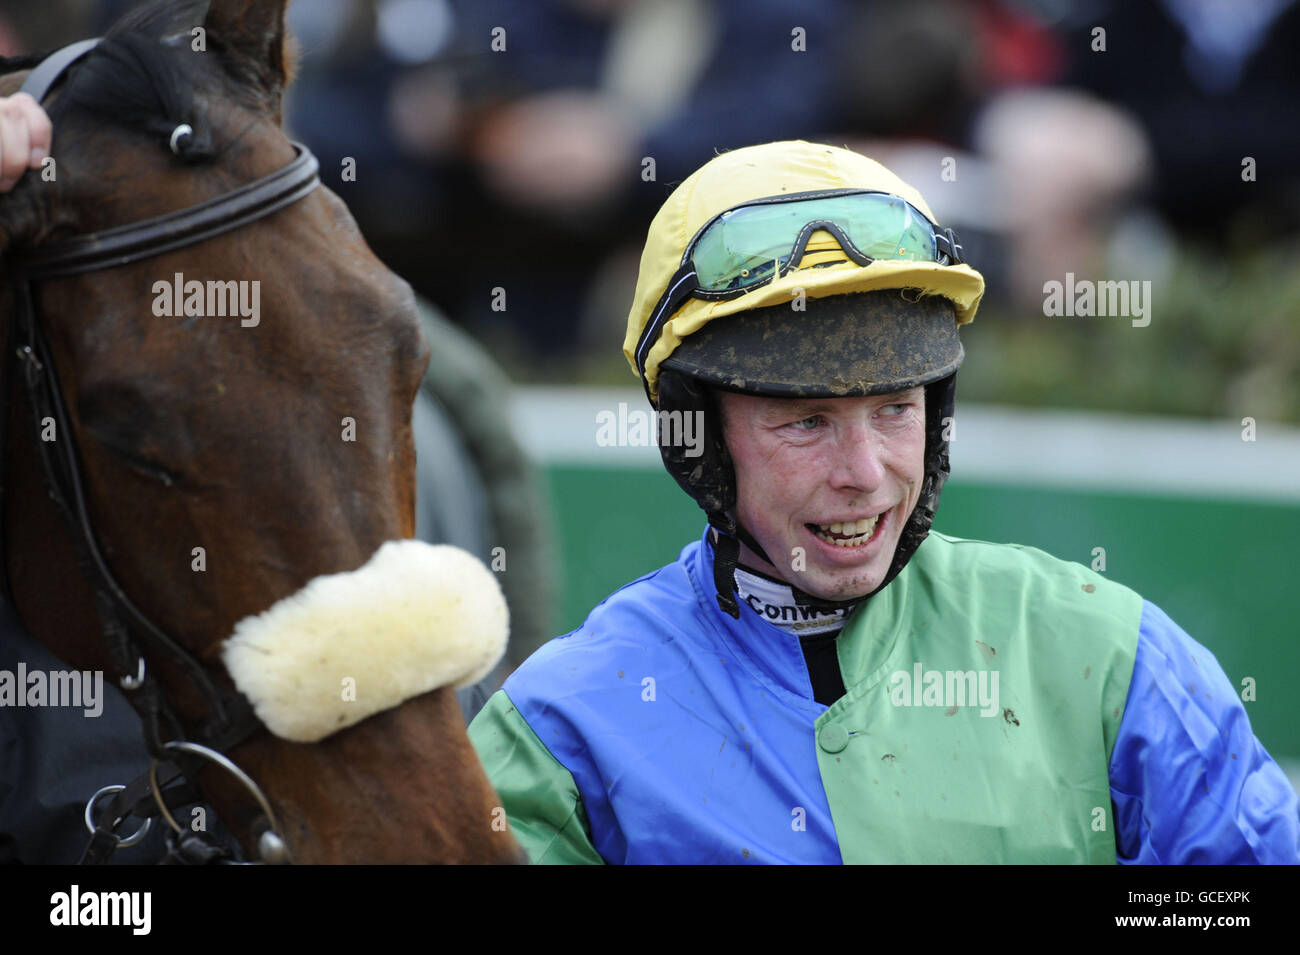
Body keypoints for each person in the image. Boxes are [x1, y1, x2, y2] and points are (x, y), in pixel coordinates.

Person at [467, 139, 1300, 864]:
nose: (864, 471)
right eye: (806, 420)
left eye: (895, 408)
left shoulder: (1111, 652)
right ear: (697, 436)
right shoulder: (559, 732)